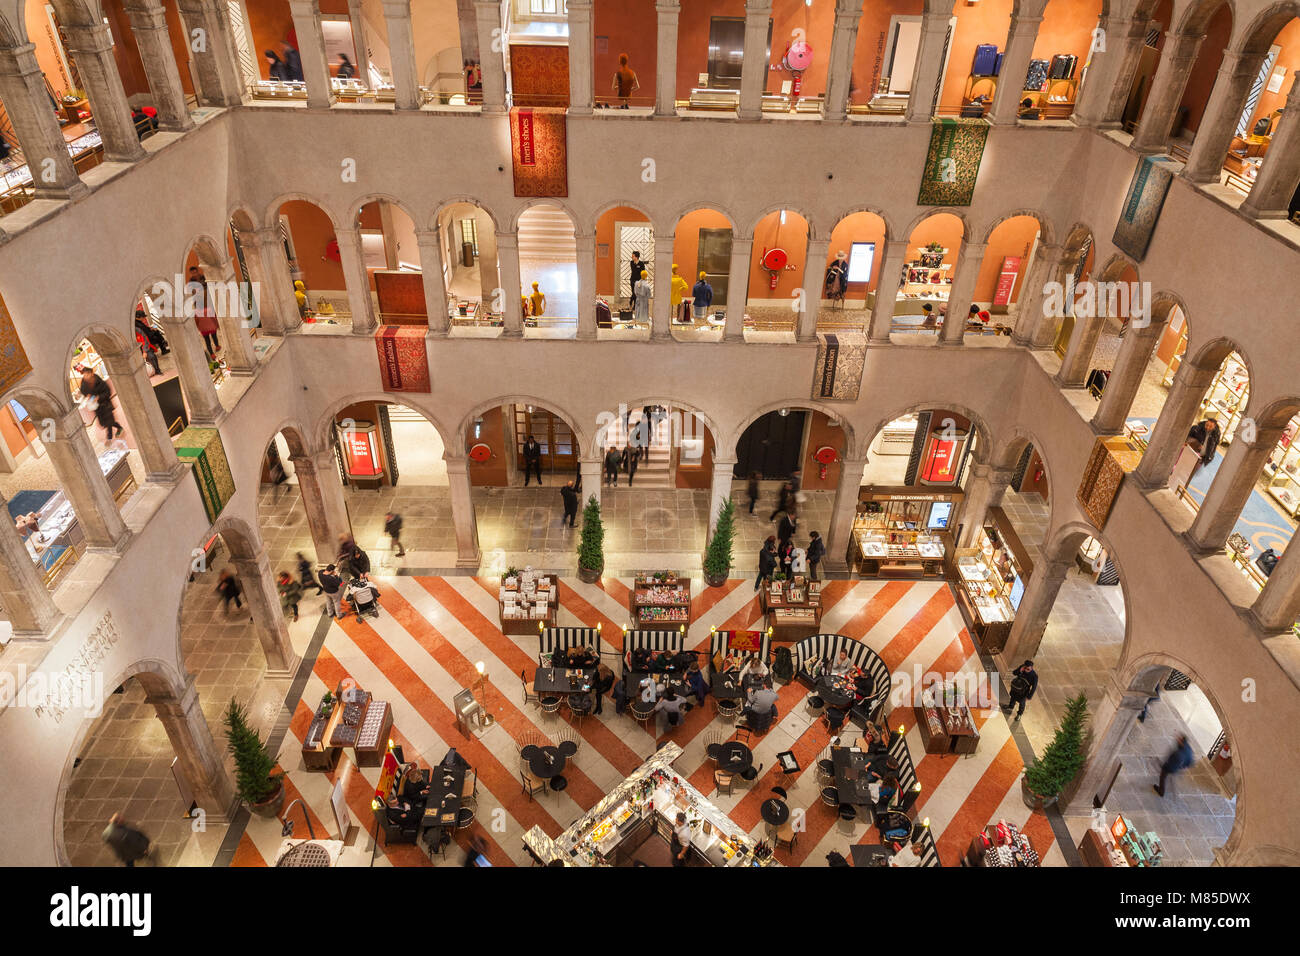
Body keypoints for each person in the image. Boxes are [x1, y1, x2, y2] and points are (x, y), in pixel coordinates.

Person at [79, 369, 124, 441]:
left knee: (109, 421)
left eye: (87, 374)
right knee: (105, 423)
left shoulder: (99, 382)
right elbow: (83, 390)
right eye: (84, 375)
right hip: (97, 407)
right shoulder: (84, 383)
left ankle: (109, 438)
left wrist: (99, 397)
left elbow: (108, 391)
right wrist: (88, 396)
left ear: (91, 374)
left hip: (105, 405)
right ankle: (119, 427)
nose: (85, 377)